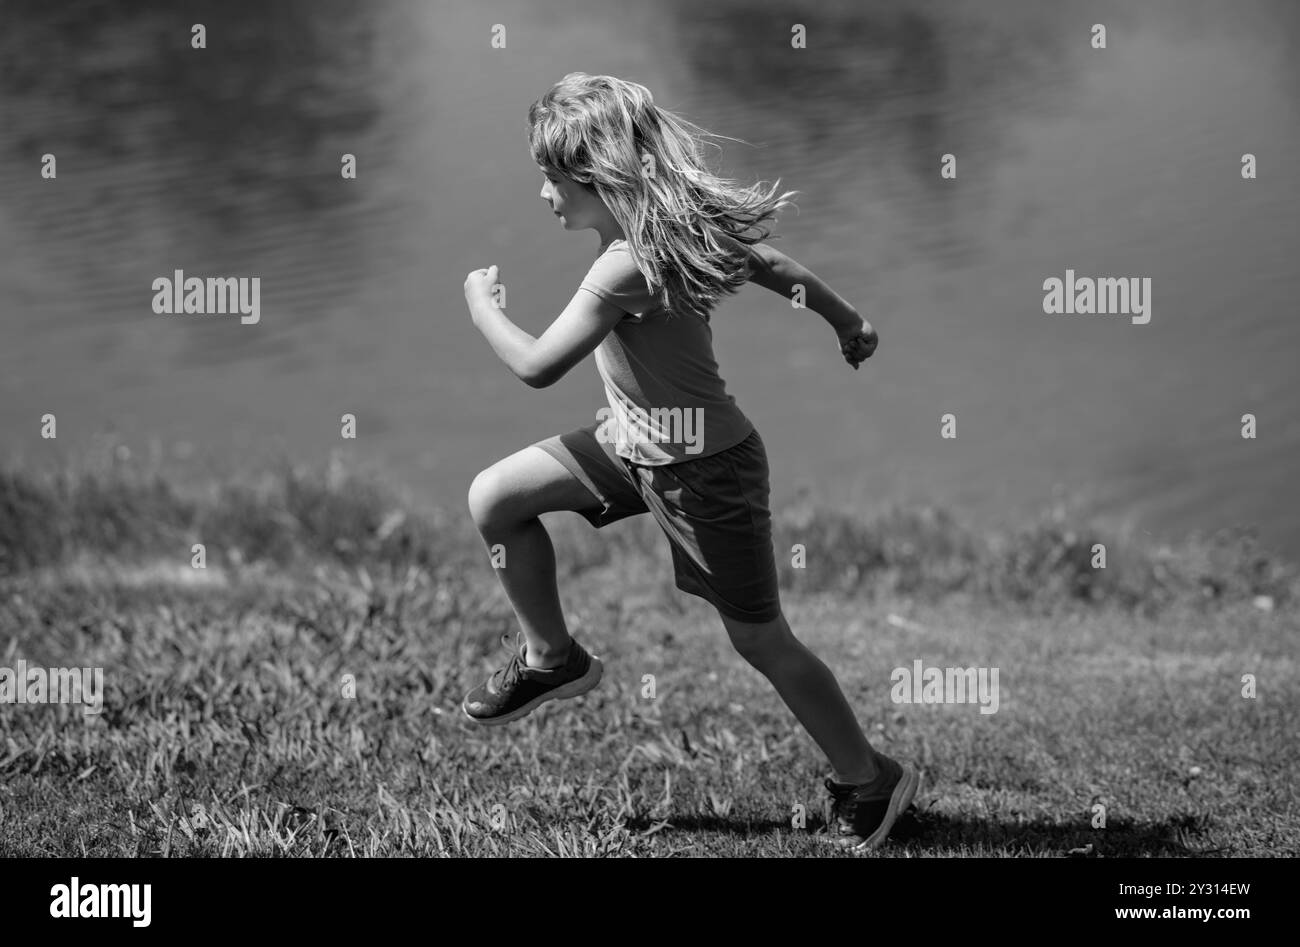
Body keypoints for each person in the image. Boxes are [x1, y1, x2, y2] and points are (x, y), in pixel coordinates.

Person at [460, 73, 917, 850]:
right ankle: (552, 657)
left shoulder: (619, 267)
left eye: (552, 178)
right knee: (496, 498)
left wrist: (481, 305)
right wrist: (846, 320)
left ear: (601, 178)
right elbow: (772, 264)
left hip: (704, 471)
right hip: (631, 443)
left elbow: (538, 366)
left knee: (762, 640)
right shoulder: (675, 223)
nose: (542, 193)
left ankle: (872, 780)